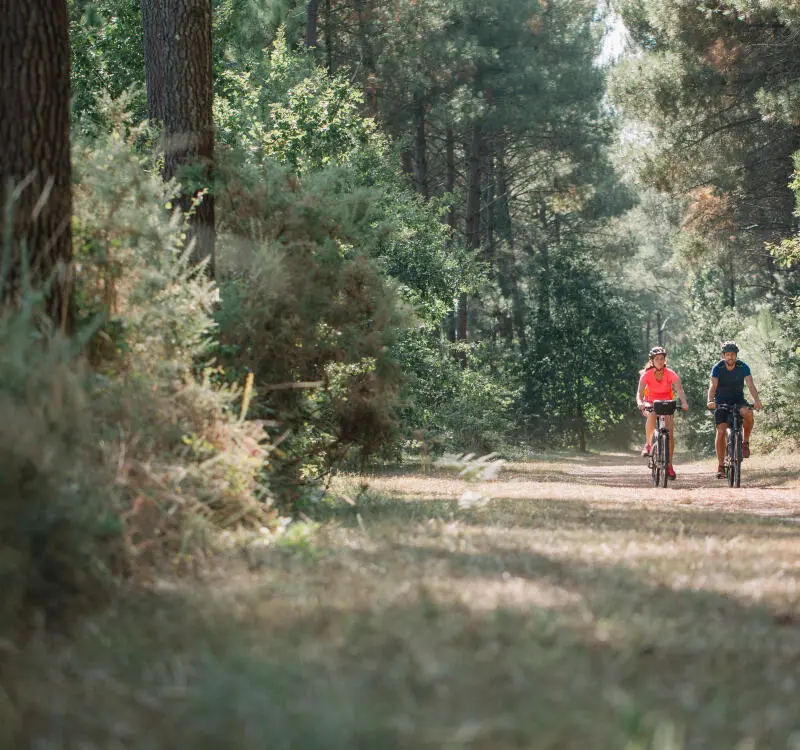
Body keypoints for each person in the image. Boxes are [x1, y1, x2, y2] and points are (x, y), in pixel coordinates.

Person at [706, 341, 762, 479]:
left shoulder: (743, 366)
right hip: (721, 402)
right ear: (724, 355)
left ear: (736, 355)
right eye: (728, 354)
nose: (730, 357)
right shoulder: (718, 367)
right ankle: (721, 466)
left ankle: (745, 443)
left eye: (733, 354)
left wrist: (756, 400)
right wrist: (710, 400)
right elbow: (713, 386)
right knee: (721, 431)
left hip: (738, 401)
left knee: (748, 414)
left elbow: (750, 384)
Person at [636, 346, 689, 480]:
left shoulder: (670, 373)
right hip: (650, 403)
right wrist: (640, 403)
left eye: (662, 359)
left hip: (666, 403)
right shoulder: (646, 374)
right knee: (652, 414)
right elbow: (639, 393)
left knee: (670, 435)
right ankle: (648, 444)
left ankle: (669, 465)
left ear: (665, 360)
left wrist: (684, 402)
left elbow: (680, 390)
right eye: (657, 359)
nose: (660, 361)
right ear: (652, 361)